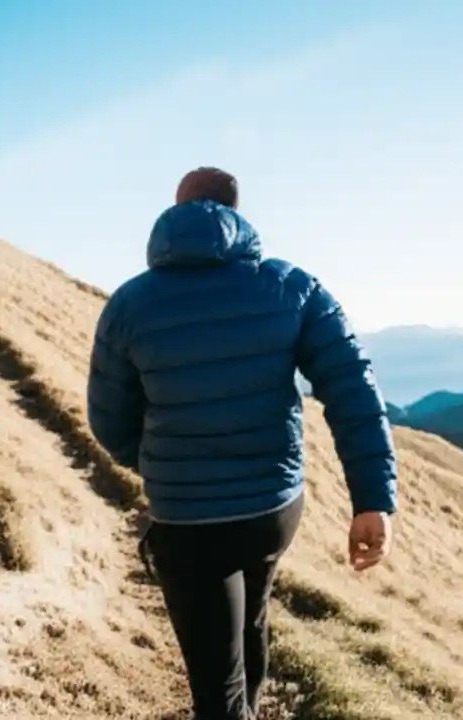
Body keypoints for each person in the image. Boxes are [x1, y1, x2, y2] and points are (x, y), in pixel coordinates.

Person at [86, 167, 399, 720]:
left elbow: (109, 422)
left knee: (216, 687)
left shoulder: (130, 305)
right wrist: (373, 499)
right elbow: (354, 391)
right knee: (251, 617)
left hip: (187, 520)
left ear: (174, 211)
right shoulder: (292, 288)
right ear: (236, 214)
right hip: (272, 510)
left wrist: (164, 466)